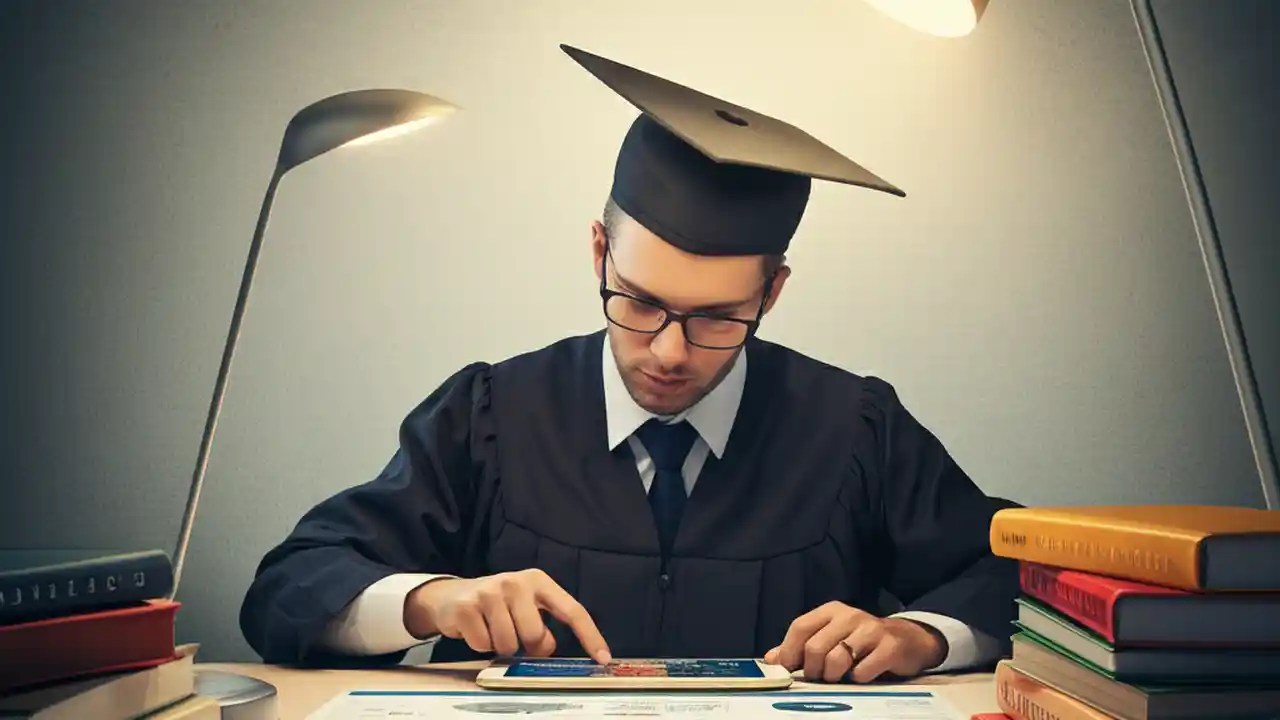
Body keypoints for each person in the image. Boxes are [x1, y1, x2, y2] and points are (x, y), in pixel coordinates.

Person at [239, 45, 1019, 684]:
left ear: (772, 291)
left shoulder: (853, 427)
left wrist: (920, 634)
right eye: (640, 302)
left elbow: (1018, 576)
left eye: (716, 317)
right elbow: (289, 586)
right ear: (598, 253)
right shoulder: (492, 414)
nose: (670, 352)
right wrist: (433, 602)